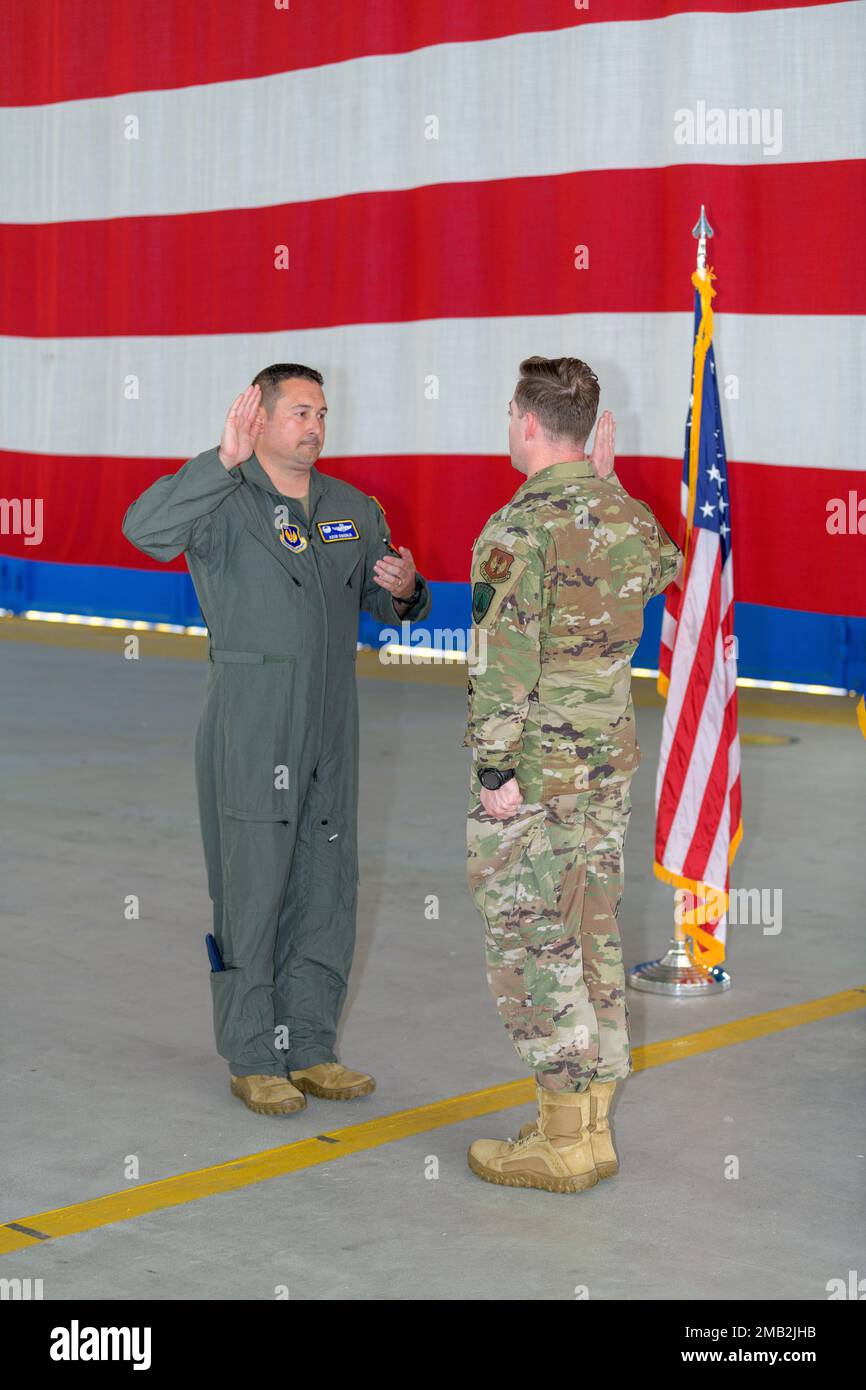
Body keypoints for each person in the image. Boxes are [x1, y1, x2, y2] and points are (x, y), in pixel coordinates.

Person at [122, 365, 431, 1115]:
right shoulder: (221, 500)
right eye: (299, 412)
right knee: (251, 886)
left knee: (327, 887)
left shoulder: (353, 508)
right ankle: (254, 1053)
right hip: (253, 719)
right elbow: (145, 530)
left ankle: (313, 1046)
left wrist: (405, 589)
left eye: (322, 412)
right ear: (256, 417)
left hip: (330, 721)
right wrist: (219, 459)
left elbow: (392, 606)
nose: (315, 427)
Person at [464, 355, 682, 1192]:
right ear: (589, 429)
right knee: (591, 928)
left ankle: (561, 1138)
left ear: (525, 420)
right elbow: (661, 569)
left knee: (532, 942)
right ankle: (589, 1129)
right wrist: (612, 484)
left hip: (538, 774)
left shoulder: (516, 531)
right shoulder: (623, 514)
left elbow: (500, 667)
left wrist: (493, 771)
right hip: (605, 769)